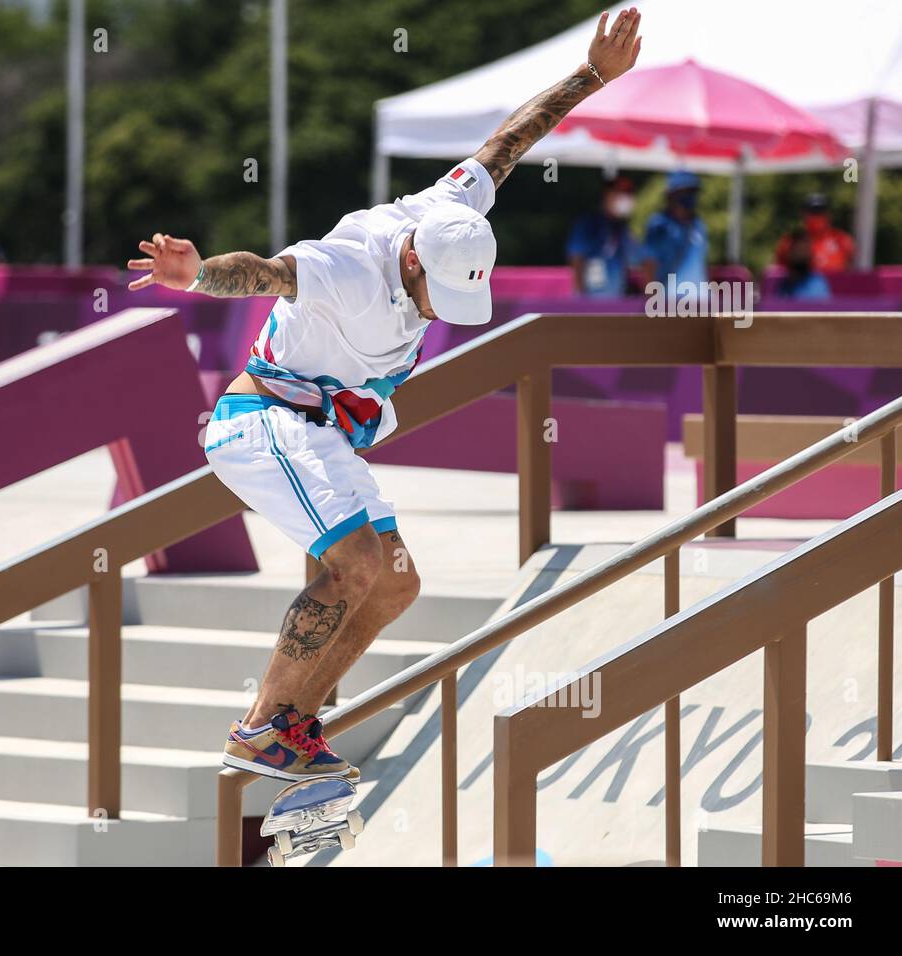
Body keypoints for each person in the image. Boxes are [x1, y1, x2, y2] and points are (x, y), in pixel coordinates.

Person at [127, 10, 643, 782]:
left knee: (397, 583)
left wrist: (593, 75)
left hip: (326, 432)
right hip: (265, 419)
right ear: (409, 260)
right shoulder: (346, 263)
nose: (436, 313)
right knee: (358, 563)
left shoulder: (452, 212)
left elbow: (509, 142)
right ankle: (258, 727)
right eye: (431, 297)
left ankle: (296, 720)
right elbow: (268, 272)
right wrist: (198, 275)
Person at [567, 175, 641, 296]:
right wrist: (580, 304)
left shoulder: (622, 230)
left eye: (628, 194)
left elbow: (635, 261)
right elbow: (577, 261)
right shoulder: (587, 224)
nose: (626, 199)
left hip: (616, 304)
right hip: (590, 304)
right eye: (621, 193)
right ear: (607, 194)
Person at [642, 170, 708, 295]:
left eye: (693, 192)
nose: (690, 196)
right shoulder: (659, 226)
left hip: (701, 304)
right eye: (685, 191)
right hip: (670, 304)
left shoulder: (698, 225)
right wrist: (652, 301)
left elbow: (701, 265)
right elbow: (649, 265)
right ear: (671, 195)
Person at [775, 193, 854, 274]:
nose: (817, 215)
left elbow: (853, 270)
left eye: (820, 211)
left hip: (837, 285)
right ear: (804, 214)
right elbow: (780, 271)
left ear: (828, 214)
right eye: (813, 212)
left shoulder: (842, 240)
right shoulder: (791, 242)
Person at [776, 228, 832, 299]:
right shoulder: (782, 285)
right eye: (798, 249)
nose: (803, 253)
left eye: (805, 249)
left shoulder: (818, 284)